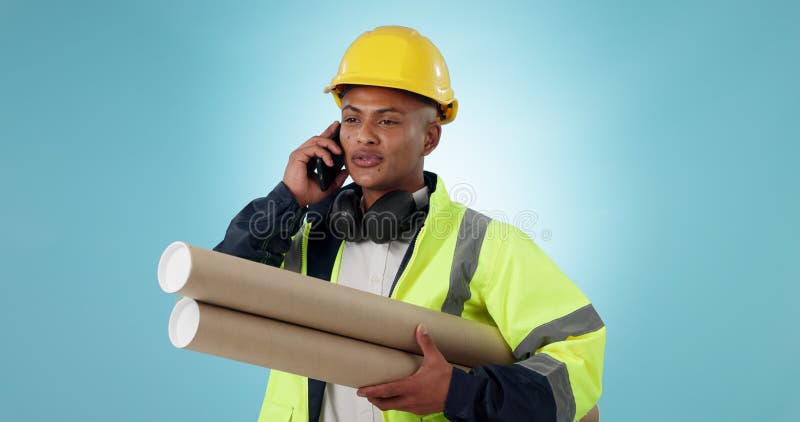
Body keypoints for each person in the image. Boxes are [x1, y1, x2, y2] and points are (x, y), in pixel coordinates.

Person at [213, 26, 605, 422]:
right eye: (351, 119)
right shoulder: (301, 231)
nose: (363, 137)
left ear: (429, 138)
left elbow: (579, 352)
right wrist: (289, 198)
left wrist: (460, 393)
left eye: (387, 122)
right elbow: (217, 291)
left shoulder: (484, 243)